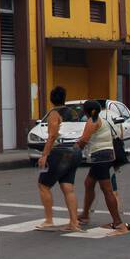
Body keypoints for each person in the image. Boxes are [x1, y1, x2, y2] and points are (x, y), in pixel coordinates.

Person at [76, 100, 130, 234]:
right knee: (89, 183)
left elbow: (84, 140)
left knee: (107, 190)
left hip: (100, 158)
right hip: (104, 156)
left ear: (87, 111)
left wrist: (70, 152)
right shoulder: (101, 119)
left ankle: (118, 223)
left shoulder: (92, 121)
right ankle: (84, 215)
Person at [35, 86, 83, 232]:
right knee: (68, 188)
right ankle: (74, 222)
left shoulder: (54, 114)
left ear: (51, 99)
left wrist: (44, 155)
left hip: (59, 152)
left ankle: (49, 220)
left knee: (43, 185)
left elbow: (52, 135)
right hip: (75, 151)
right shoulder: (74, 113)